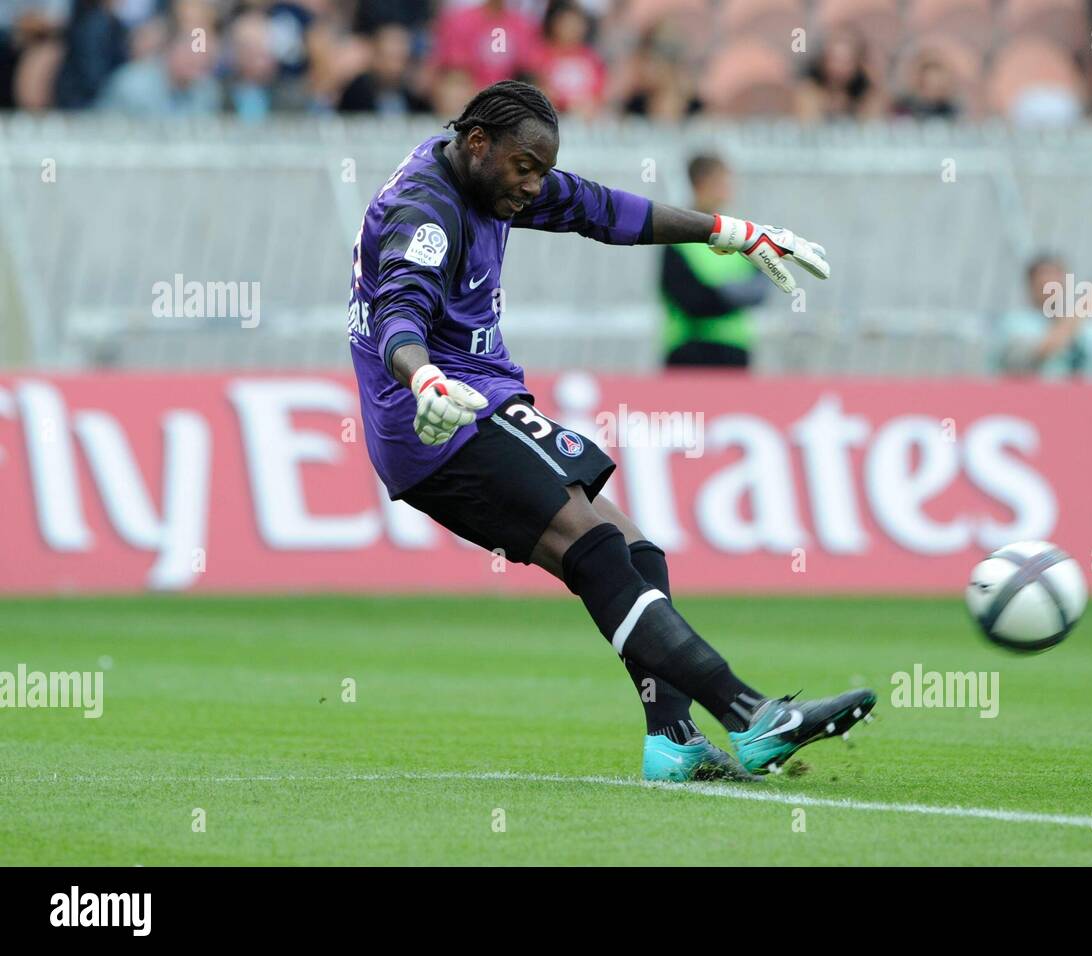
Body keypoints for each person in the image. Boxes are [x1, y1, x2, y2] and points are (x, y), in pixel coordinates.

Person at [346, 80, 873, 783]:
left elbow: (602, 210)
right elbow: (398, 316)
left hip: (480, 398)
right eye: (524, 168)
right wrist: (422, 379)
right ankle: (749, 714)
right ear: (477, 144)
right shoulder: (425, 211)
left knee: (636, 552)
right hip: (438, 418)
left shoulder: (489, 173)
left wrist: (728, 231)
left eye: (540, 169)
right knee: (592, 547)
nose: (534, 186)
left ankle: (674, 740)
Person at [659, 154, 769, 368]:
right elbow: (690, 299)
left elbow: (761, 288)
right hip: (690, 349)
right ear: (700, 184)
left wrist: (718, 294)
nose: (727, 190)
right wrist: (732, 296)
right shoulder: (676, 237)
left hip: (734, 349)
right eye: (719, 182)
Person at [996, 255, 1092, 379]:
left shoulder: (1086, 325)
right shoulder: (1015, 323)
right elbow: (1032, 355)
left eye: (1057, 278)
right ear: (1031, 284)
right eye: (1045, 278)